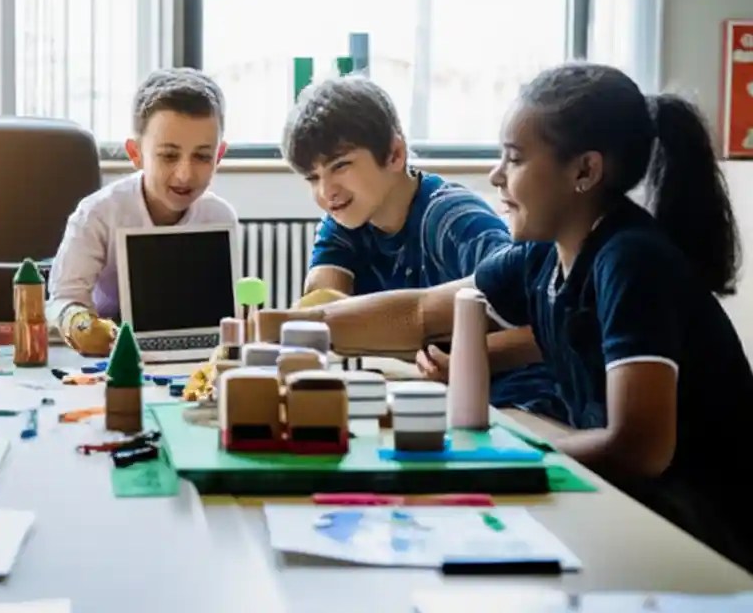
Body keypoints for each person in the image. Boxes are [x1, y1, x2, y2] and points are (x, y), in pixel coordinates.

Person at [306, 62, 753, 572]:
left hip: (703, 532)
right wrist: (280, 328)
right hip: (640, 507)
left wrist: (510, 460)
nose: (496, 175)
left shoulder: (631, 260)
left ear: (584, 171)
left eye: (514, 159)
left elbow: (639, 446)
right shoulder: (543, 256)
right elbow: (417, 312)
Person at [285, 76, 564, 420]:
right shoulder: (343, 223)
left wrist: (469, 358)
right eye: (312, 178)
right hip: (431, 395)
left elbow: (548, 326)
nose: (326, 191)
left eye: (340, 166)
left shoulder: (452, 220)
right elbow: (324, 304)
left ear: (395, 154)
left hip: (519, 399)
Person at [46, 67, 239, 356]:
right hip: (109, 354)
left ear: (219, 155)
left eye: (202, 156)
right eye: (168, 156)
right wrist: (78, 323)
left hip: (196, 357)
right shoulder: (98, 214)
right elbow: (62, 299)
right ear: (135, 153)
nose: (184, 175)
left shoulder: (221, 217)